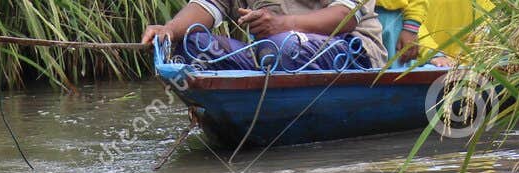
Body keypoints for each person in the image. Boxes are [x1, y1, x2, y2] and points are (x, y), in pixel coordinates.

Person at [141, 0, 389, 73]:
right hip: (271, 56)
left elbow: (347, 15)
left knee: (284, 46)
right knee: (192, 44)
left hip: (350, 49)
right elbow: (208, 6)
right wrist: (169, 30)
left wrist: (283, 24)